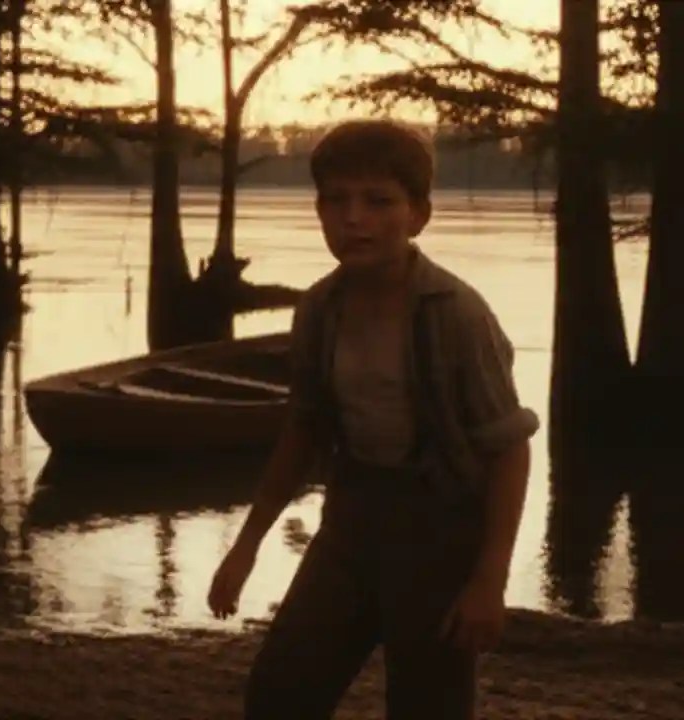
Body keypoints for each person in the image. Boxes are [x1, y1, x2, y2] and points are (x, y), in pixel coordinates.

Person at [206, 119, 539, 719]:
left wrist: (489, 582)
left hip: (438, 533)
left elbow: (509, 449)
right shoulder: (320, 308)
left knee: (427, 706)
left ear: (418, 215)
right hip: (351, 527)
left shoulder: (457, 315)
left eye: (377, 201)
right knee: (281, 694)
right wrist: (246, 546)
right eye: (336, 200)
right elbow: (302, 431)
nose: (352, 218)